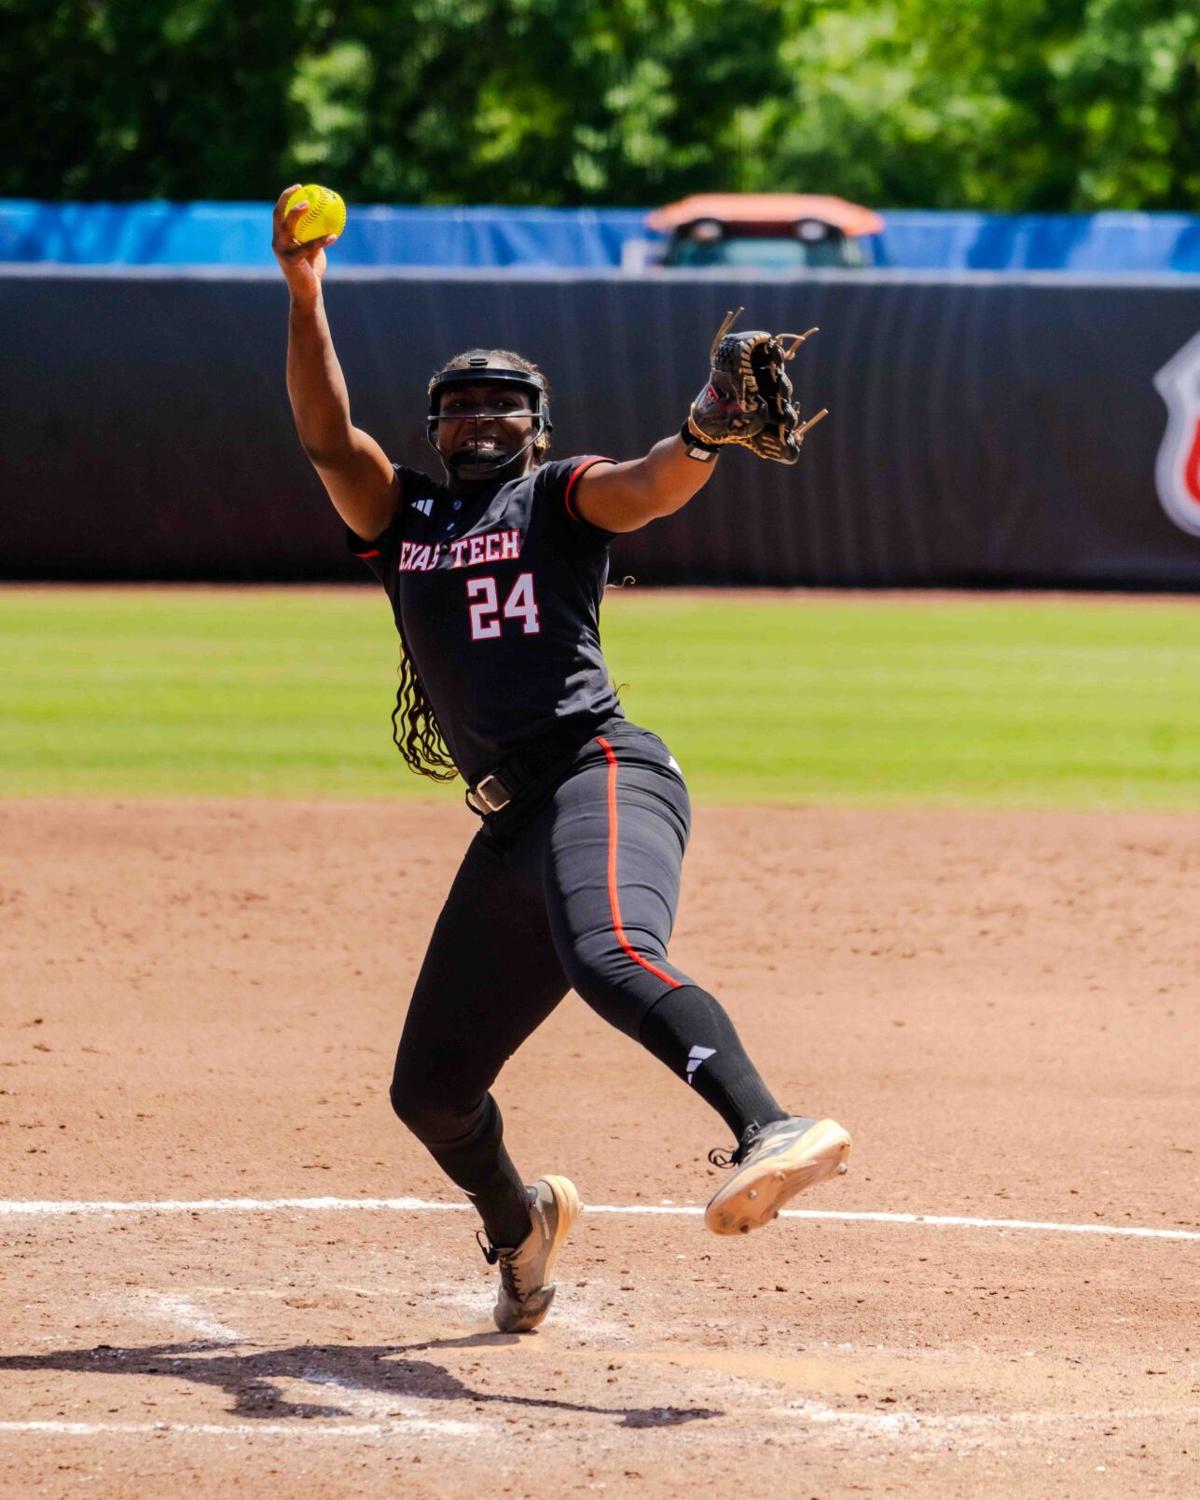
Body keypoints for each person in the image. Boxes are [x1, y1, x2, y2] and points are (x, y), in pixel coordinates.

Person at [272, 185, 851, 1334]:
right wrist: (305, 290)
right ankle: (520, 1228)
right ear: (435, 428)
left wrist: (703, 432)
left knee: (611, 952)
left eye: (504, 407)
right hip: (512, 817)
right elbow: (328, 437)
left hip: (601, 769)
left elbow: (648, 484)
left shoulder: (557, 495)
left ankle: (769, 1127)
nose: (481, 422)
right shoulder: (403, 518)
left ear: (535, 425)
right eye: (461, 408)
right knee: (429, 1089)